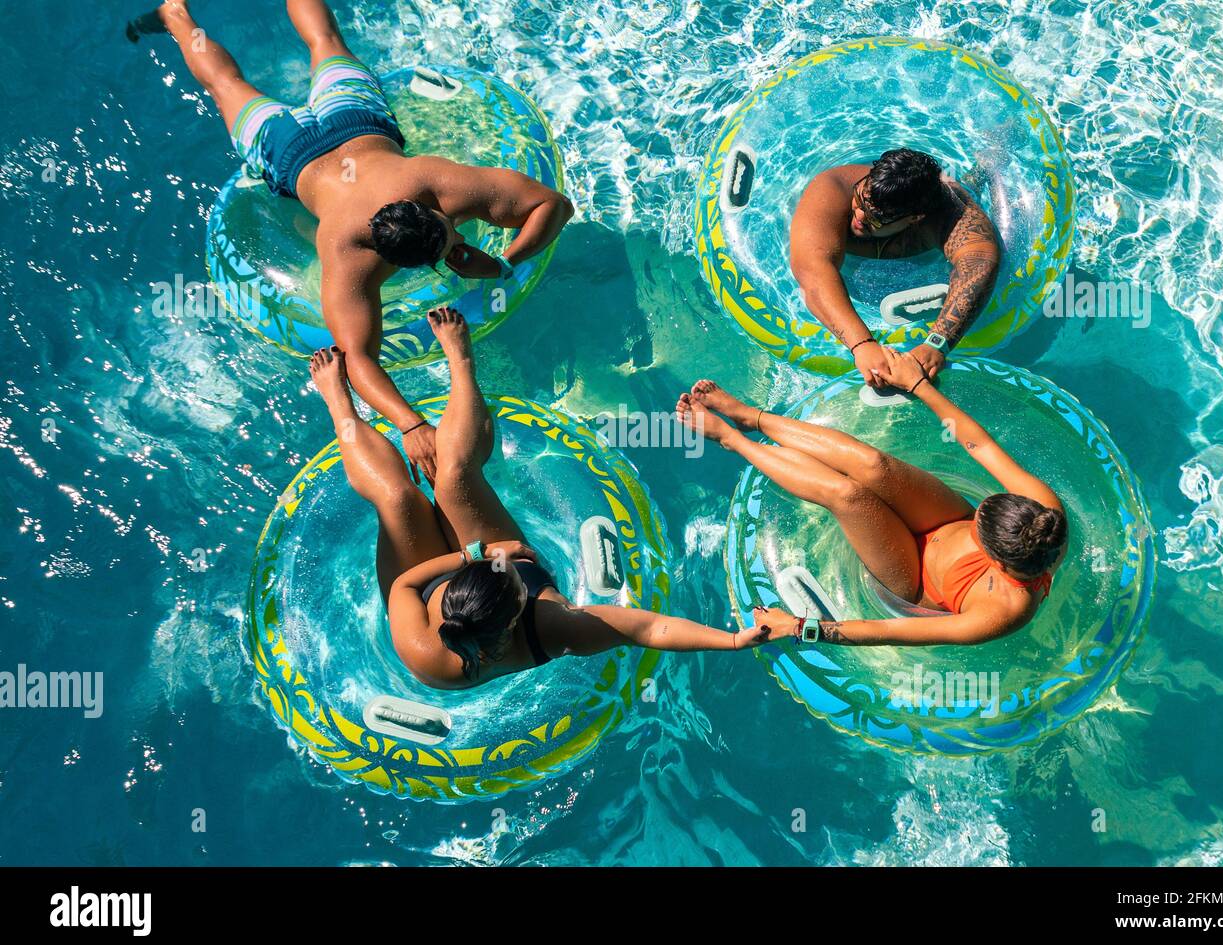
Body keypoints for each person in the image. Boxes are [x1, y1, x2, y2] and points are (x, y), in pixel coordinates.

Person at [129, 0, 574, 485]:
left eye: (447, 234)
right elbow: (358, 358)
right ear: (390, 263)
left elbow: (554, 205)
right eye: (452, 236)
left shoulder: (421, 186)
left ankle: (176, 14)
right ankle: (174, 14)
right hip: (299, 149)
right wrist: (412, 425)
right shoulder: (351, 251)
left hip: (333, 130)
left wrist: (507, 261)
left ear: (423, 208)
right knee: (317, 48)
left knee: (232, 84)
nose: (458, 237)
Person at [308, 306, 770, 689]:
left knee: (402, 499)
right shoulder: (552, 626)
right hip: (450, 582)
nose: (504, 563)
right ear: (514, 614)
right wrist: (730, 641)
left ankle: (346, 403)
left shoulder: (426, 650)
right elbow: (647, 628)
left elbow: (406, 586)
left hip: (424, 580)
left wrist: (479, 554)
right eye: (507, 574)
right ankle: (453, 368)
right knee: (448, 482)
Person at [675, 347, 1067, 647]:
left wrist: (796, 627)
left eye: (979, 530)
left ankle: (732, 439)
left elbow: (887, 631)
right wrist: (918, 385)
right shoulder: (1043, 515)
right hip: (944, 520)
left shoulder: (999, 614)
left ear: (996, 560)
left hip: (914, 578)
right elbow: (978, 444)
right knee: (874, 464)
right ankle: (752, 417)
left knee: (847, 494)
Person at [789, 147, 1000, 385]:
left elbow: (981, 263)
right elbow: (812, 271)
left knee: (967, 186)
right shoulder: (833, 188)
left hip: (940, 207)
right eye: (859, 199)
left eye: (876, 217)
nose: (859, 216)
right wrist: (862, 345)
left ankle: (986, 164)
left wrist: (937, 342)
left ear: (914, 218)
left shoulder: (944, 220)